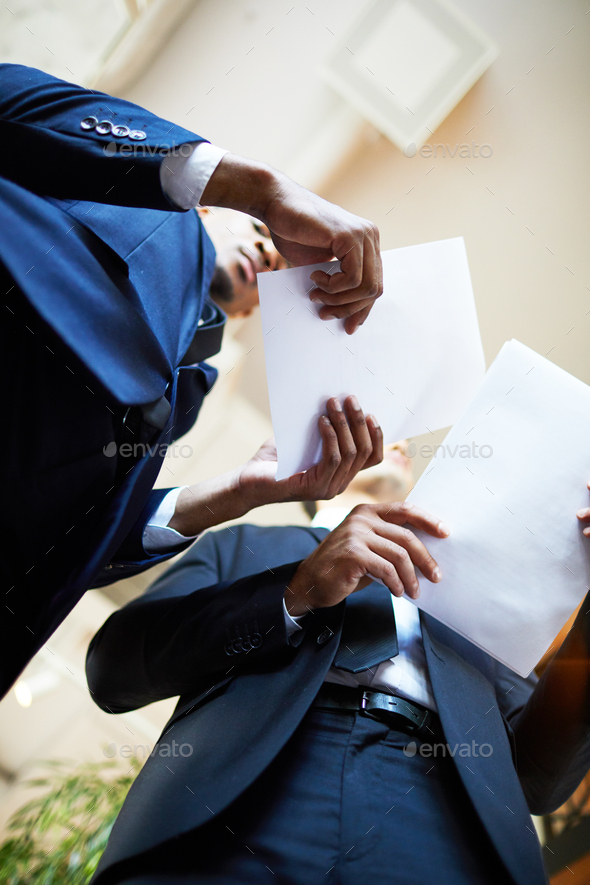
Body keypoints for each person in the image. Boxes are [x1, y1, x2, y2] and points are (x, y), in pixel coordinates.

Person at [0, 62, 384, 698]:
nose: (270, 256)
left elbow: (81, 542)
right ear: (208, 210)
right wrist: (258, 190)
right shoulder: (125, 192)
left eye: (272, 285)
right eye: (262, 236)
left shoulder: (186, 393)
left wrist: (240, 491)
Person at [85, 461, 590, 884]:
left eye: (407, 445)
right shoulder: (237, 545)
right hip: (239, 797)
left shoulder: (490, 601)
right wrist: (296, 591)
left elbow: (537, 780)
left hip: (447, 821)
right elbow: (113, 668)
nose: (397, 443)